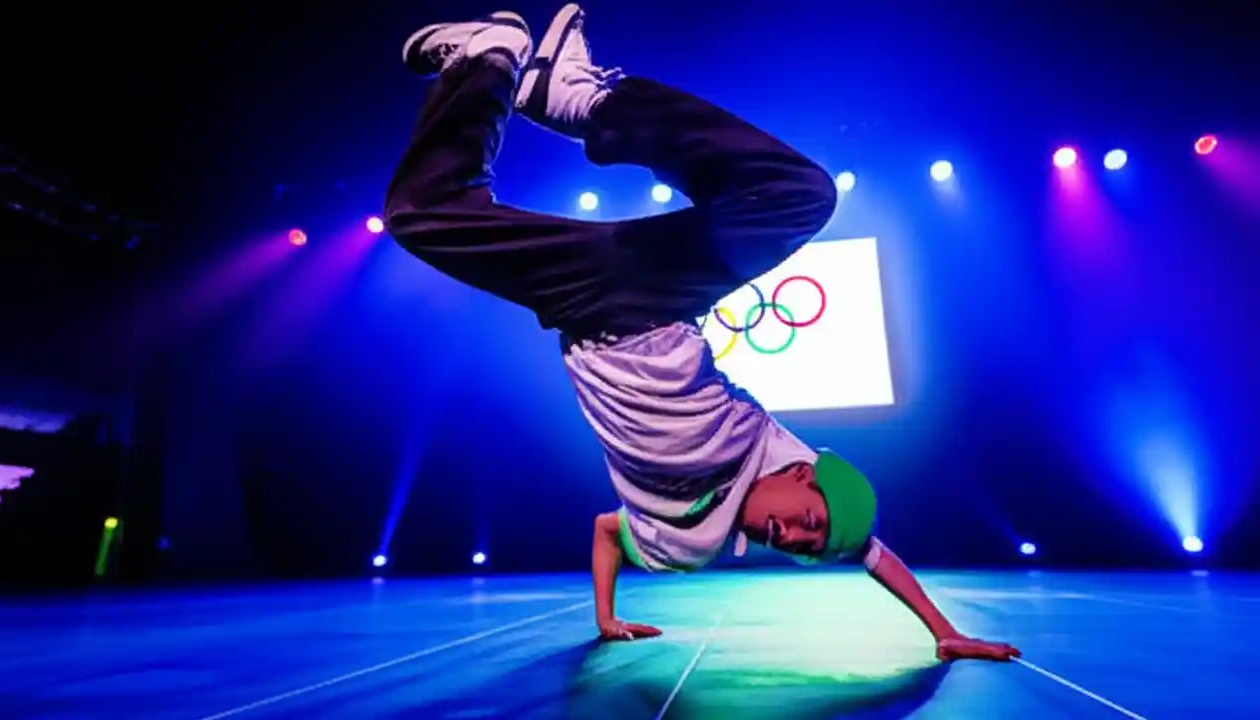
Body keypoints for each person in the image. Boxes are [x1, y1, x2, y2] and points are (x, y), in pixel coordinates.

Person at [387, 4, 1020, 662]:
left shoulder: (680, 547)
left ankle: (488, 61)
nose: (796, 536)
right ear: (803, 474)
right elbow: (878, 556)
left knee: (418, 216)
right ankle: (585, 100)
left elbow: (608, 531)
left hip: (579, 299)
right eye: (811, 520)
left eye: (804, 547)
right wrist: (943, 629)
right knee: (803, 195)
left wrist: (606, 616)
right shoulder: (776, 449)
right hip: (662, 294)